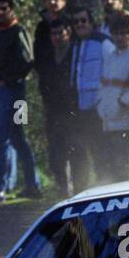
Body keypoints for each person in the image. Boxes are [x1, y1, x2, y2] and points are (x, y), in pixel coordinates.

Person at [0, 0, 39, 203]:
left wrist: (8, 79)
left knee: (4, 139)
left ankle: (1, 189)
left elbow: (28, 60)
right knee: (15, 138)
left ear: (11, 9)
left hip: (14, 92)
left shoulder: (17, 31)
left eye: (3, 8)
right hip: (0, 92)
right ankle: (31, 184)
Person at [96, 14, 129, 182]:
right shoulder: (110, 57)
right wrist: (100, 106)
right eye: (116, 33)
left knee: (128, 164)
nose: (120, 37)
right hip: (108, 121)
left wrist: (124, 101)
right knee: (114, 165)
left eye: (124, 33)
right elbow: (103, 86)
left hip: (126, 121)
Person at [37, 16, 81, 194]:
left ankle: (79, 189)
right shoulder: (47, 57)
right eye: (53, 33)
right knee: (56, 151)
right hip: (53, 111)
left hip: (73, 110)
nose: (56, 37)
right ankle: (62, 187)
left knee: (76, 150)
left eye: (60, 32)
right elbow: (42, 83)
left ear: (68, 33)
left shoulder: (76, 53)